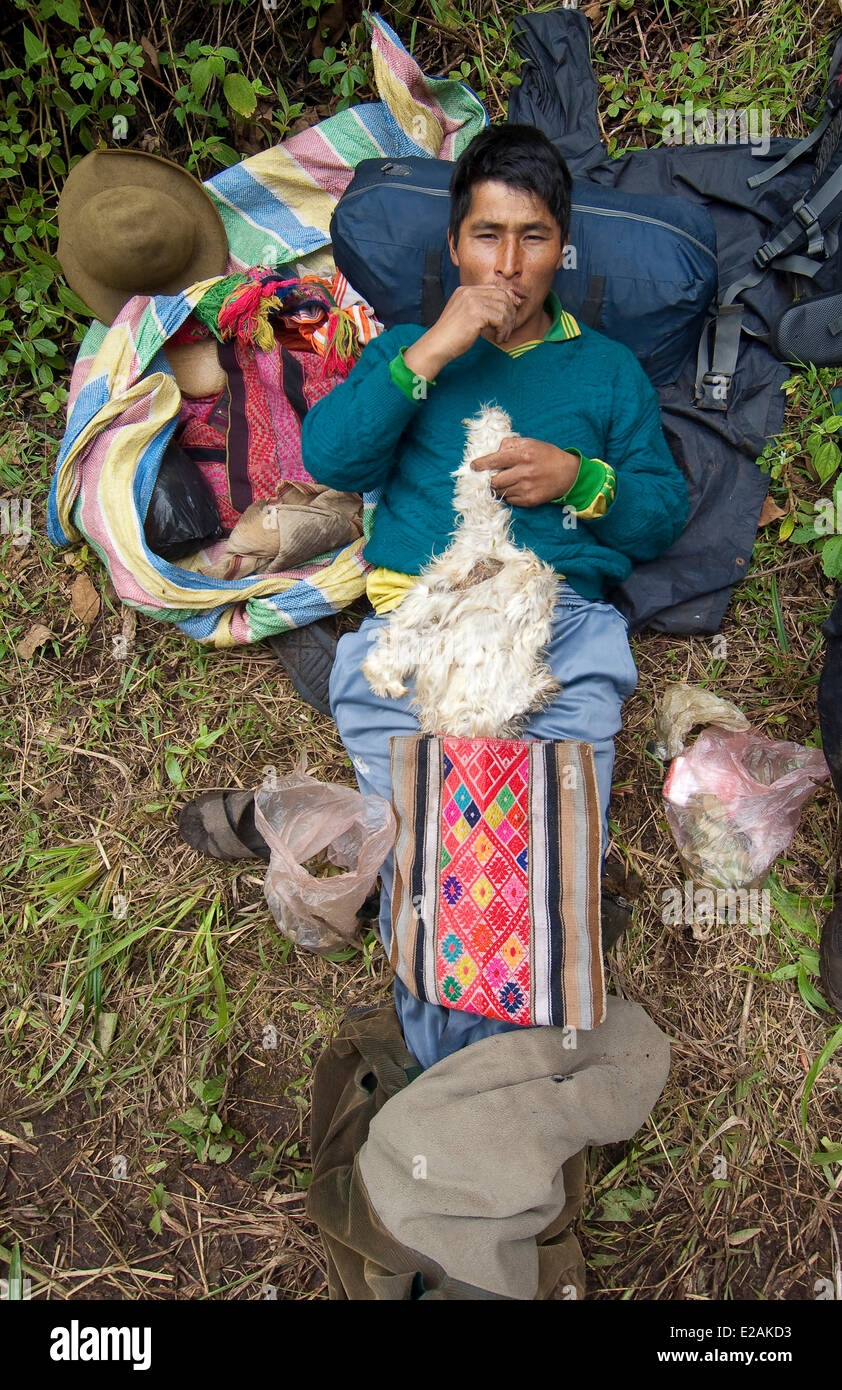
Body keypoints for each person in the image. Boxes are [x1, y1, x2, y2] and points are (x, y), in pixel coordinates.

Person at [299, 123, 689, 1070]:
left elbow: (661, 516)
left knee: (543, 852)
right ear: (454, 244)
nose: (508, 265)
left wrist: (582, 479)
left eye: (533, 237)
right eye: (487, 236)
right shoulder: (411, 348)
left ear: (563, 248)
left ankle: (470, 1086)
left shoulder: (606, 371)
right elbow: (331, 458)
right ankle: (479, 1091)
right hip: (417, 631)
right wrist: (432, 349)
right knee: (436, 858)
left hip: (556, 631)